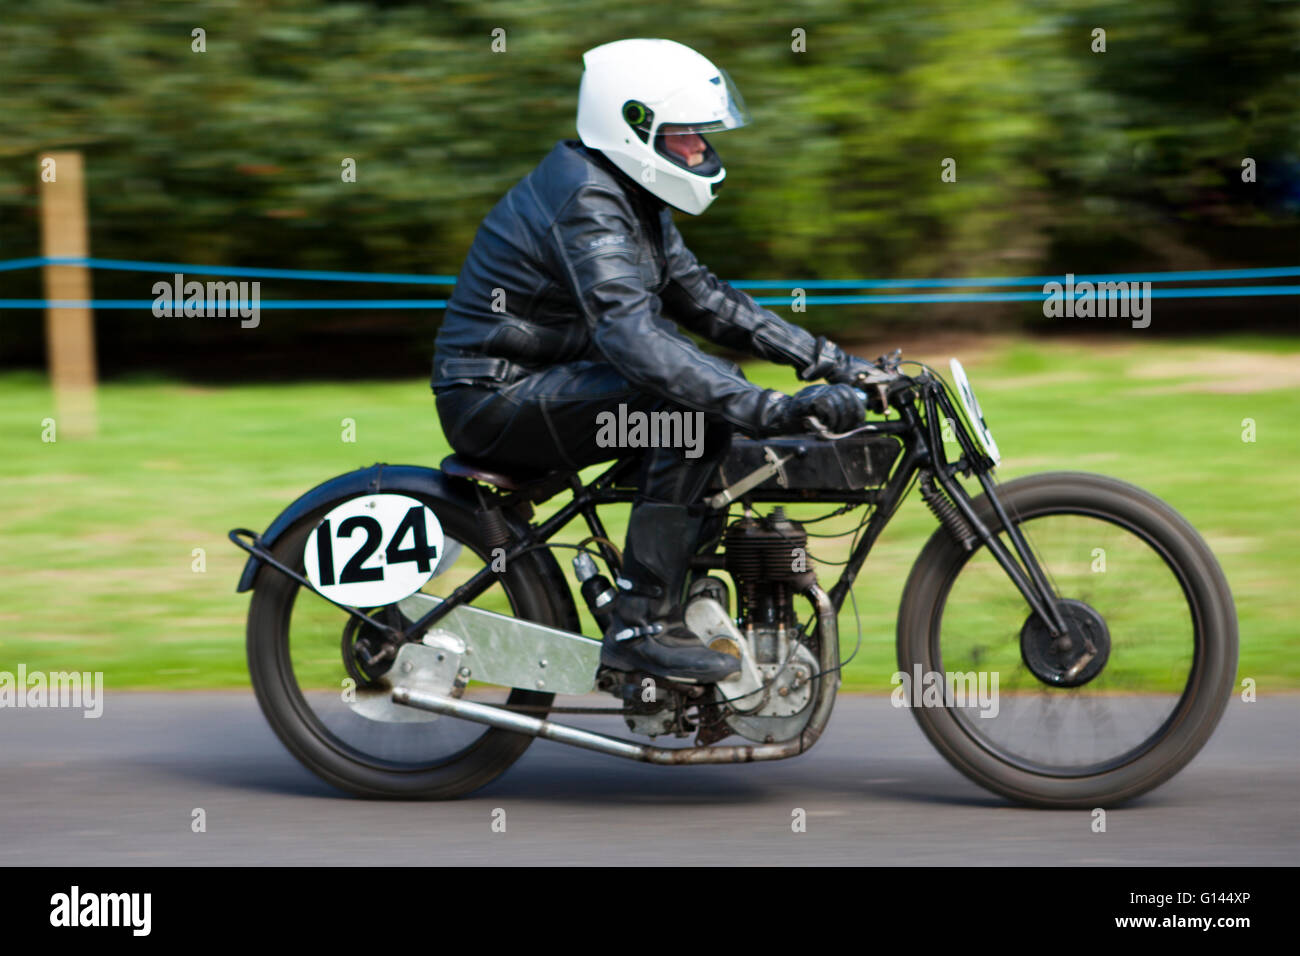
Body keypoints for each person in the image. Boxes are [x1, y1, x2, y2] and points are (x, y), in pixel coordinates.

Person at [433, 38, 878, 685]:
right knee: (689, 413)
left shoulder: (626, 193)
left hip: (547, 386)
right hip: (495, 398)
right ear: (632, 127)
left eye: (701, 134)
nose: (699, 148)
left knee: (715, 409)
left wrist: (834, 362)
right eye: (685, 134)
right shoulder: (584, 199)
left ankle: (687, 602)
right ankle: (642, 623)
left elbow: (705, 299)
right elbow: (632, 338)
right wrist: (771, 406)